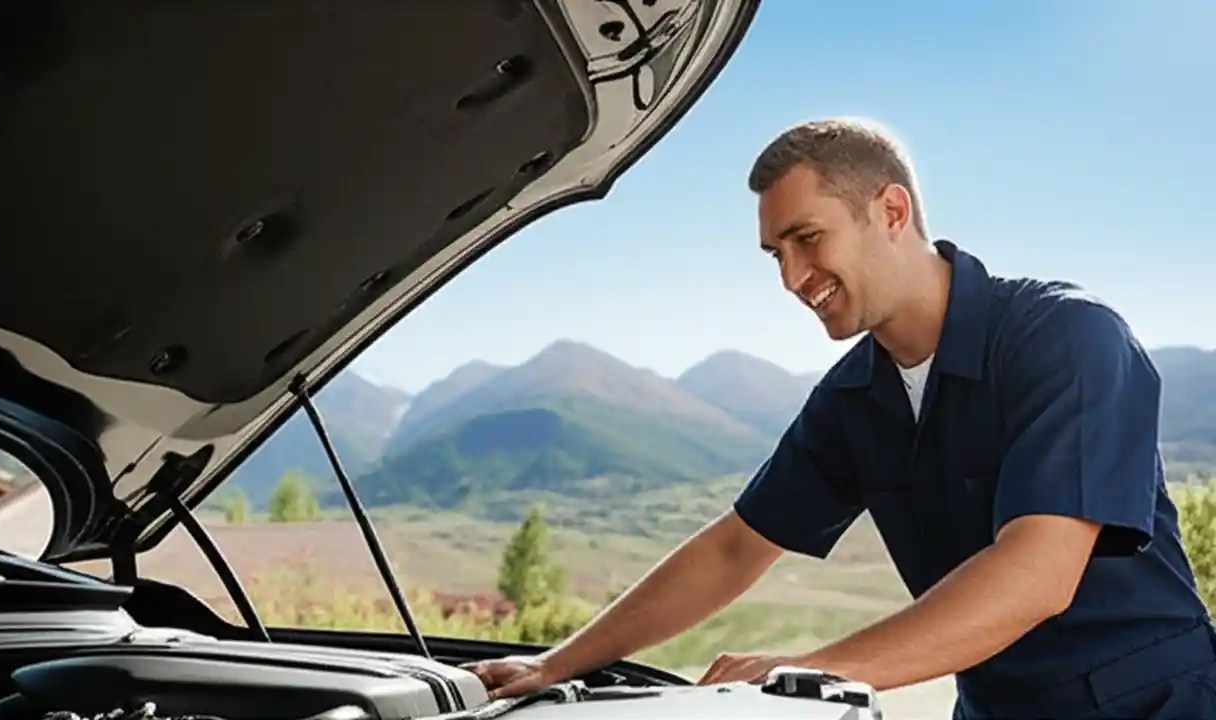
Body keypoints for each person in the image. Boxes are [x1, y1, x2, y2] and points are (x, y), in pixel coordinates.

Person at [464, 118, 1216, 719]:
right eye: (775, 255)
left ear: (892, 211)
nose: (792, 279)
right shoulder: (852, 397)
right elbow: (734, 548)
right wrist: (555, 662)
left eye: (808, 239)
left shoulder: (1069, 338)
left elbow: (1037, 575)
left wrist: (812, 671)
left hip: (1155, 703)